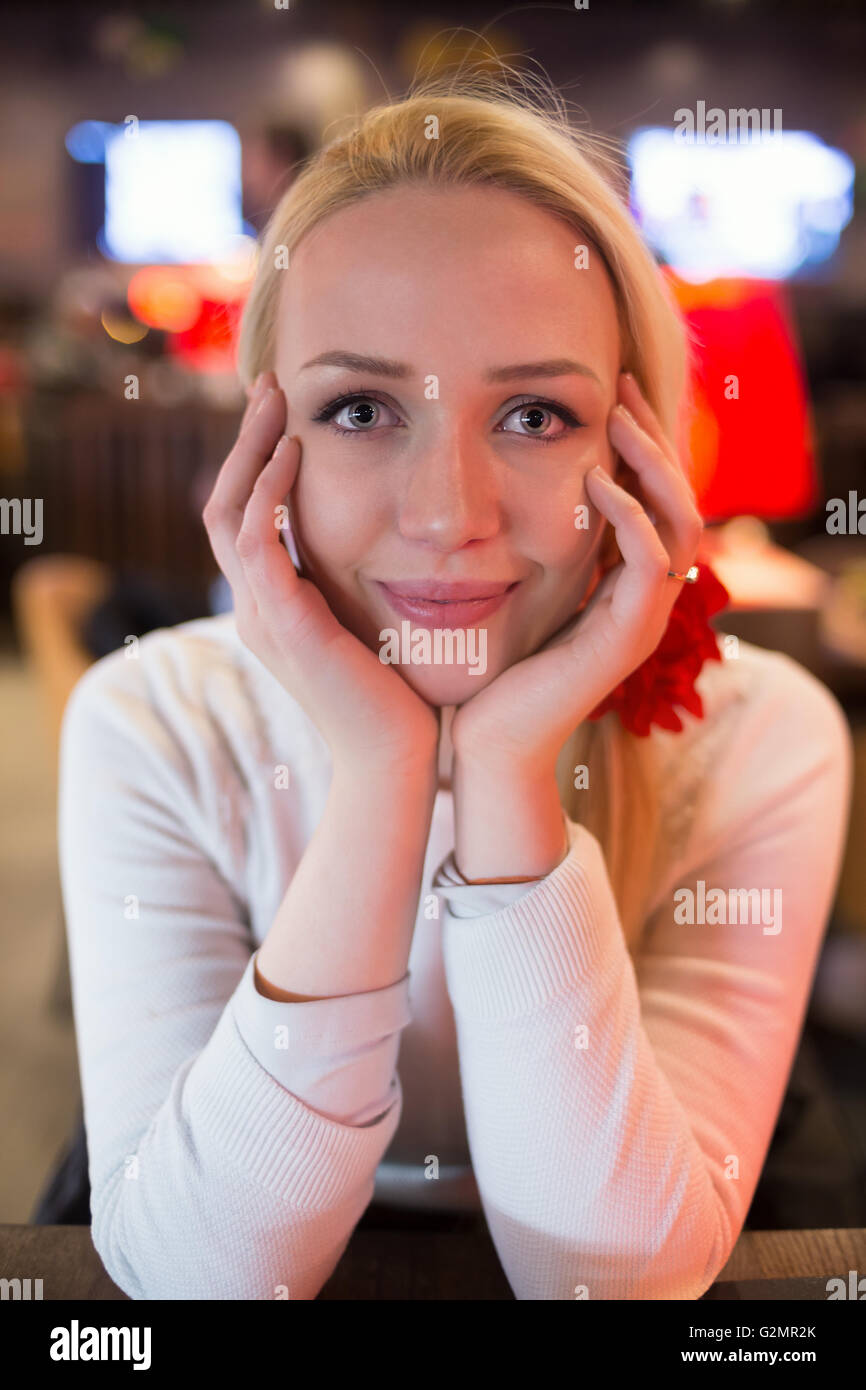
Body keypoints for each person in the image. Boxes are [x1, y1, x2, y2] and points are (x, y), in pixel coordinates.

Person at [57, 68, 852, 1300]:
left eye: (534, 414)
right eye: (363, 406)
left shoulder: (755, 733)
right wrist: (383, 772)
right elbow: (202, 1287)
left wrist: (501, 773)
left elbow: (613, 1282)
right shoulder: (156, 720)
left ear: (636, 456)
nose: (447, 516)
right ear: (266, 448)